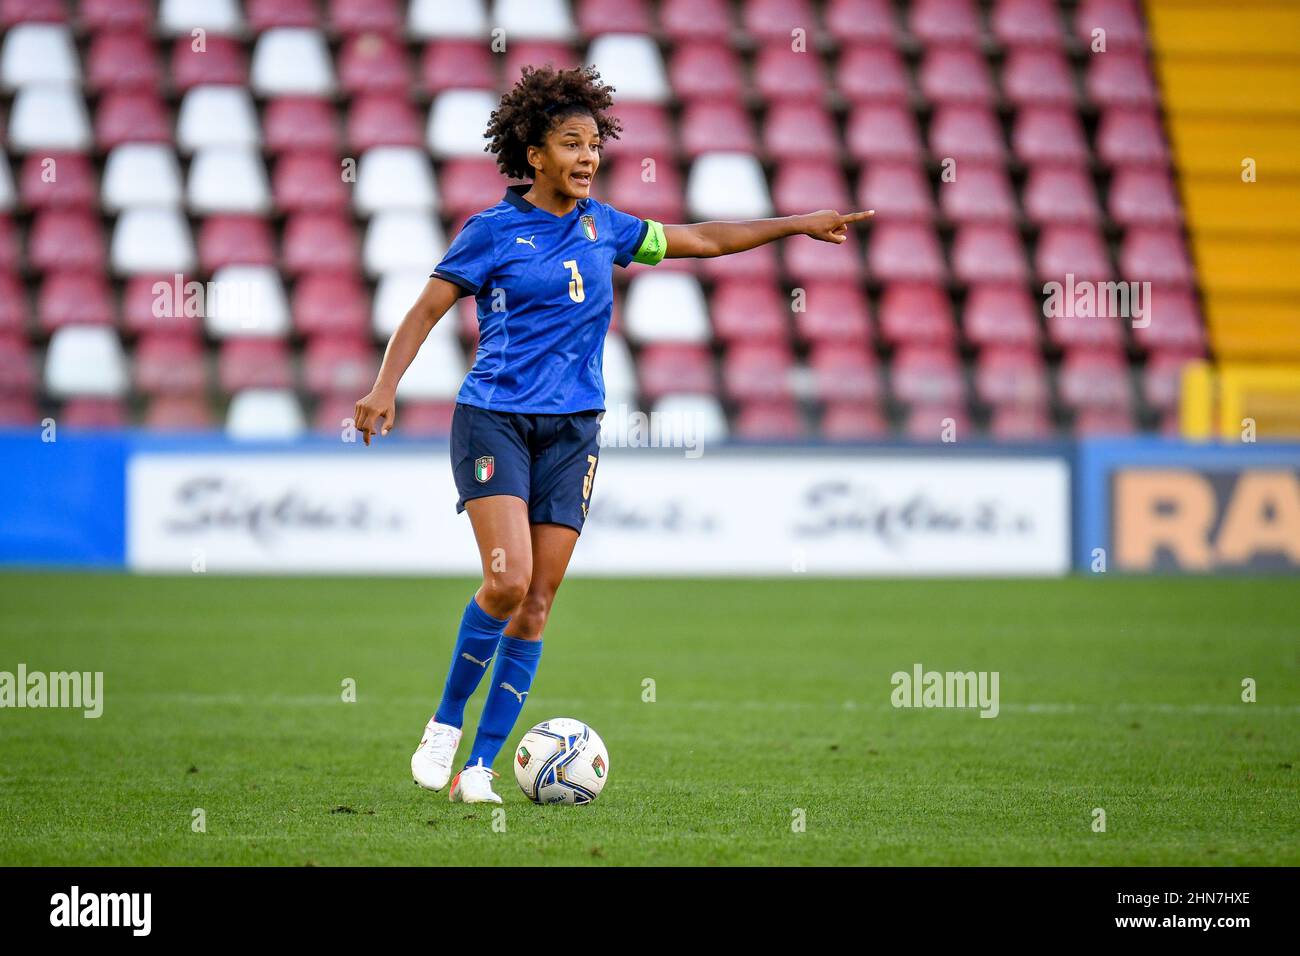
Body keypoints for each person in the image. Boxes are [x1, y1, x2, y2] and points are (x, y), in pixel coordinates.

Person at [353, 65, 873, 803]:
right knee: (507, 581)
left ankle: (480, 769)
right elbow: (426, 310)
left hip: (574, 431)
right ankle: (444, 724)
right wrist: (384, 387)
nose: (588, 156)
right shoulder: (491, 231)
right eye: (572, 143)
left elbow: (704, 239)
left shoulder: (607, 227)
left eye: (595, 144)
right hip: (495, 419)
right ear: (534, 154)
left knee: (538, 601)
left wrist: (795, 223)